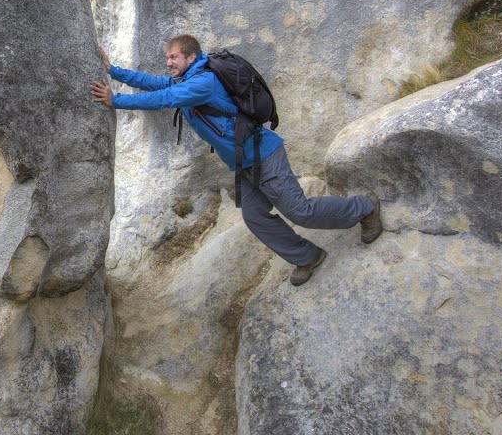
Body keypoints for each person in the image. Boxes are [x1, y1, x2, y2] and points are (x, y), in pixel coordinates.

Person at [89, 34, 382, 286]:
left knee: (299, 211)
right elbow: (157, 84)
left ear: (191, 57)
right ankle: (307, 256)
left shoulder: (202, 83)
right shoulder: (187, 78)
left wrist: (116, 100)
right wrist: (114, 71)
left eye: (174, 57)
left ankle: (365, 208)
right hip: (244, 162)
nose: (169, 62)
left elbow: (164, 99)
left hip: (263, 155)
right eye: (168, 57)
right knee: (255, 217)